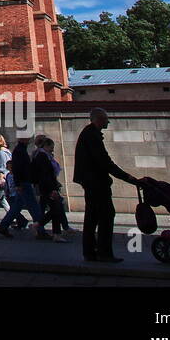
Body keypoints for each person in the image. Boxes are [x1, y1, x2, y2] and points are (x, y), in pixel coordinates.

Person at [72, 107, 137, 263]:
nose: (108, 121)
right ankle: (103, 252)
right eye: (106, 119)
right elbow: (104, 161)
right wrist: (127, 177)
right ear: (98, 119)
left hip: (91, 182)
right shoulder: (92, 136)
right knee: (106, 216)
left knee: (92, 217)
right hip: (96, 183)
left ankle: (90, 252)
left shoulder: (89, 134)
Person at [0, 135, 51, 240]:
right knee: (34, 207)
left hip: (23, 182)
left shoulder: (21, 150)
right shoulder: (19, 151)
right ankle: (40, 230)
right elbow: (17, 168)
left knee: (17, 207)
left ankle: (3, 226)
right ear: (22, 139)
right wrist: (18, 184)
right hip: (24, 183)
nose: (29, 140)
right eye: (27, 138)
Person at [32, 136, 68, 242]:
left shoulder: (43, 155)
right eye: (51, 147)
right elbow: (46, 175)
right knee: (56, 209)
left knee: (56, 208)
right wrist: (52, 189)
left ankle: (56, 233)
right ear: (46, 146)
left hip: (47, 187)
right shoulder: (42, 156)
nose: (52, 149)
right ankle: (39, 225)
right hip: (48, 188)